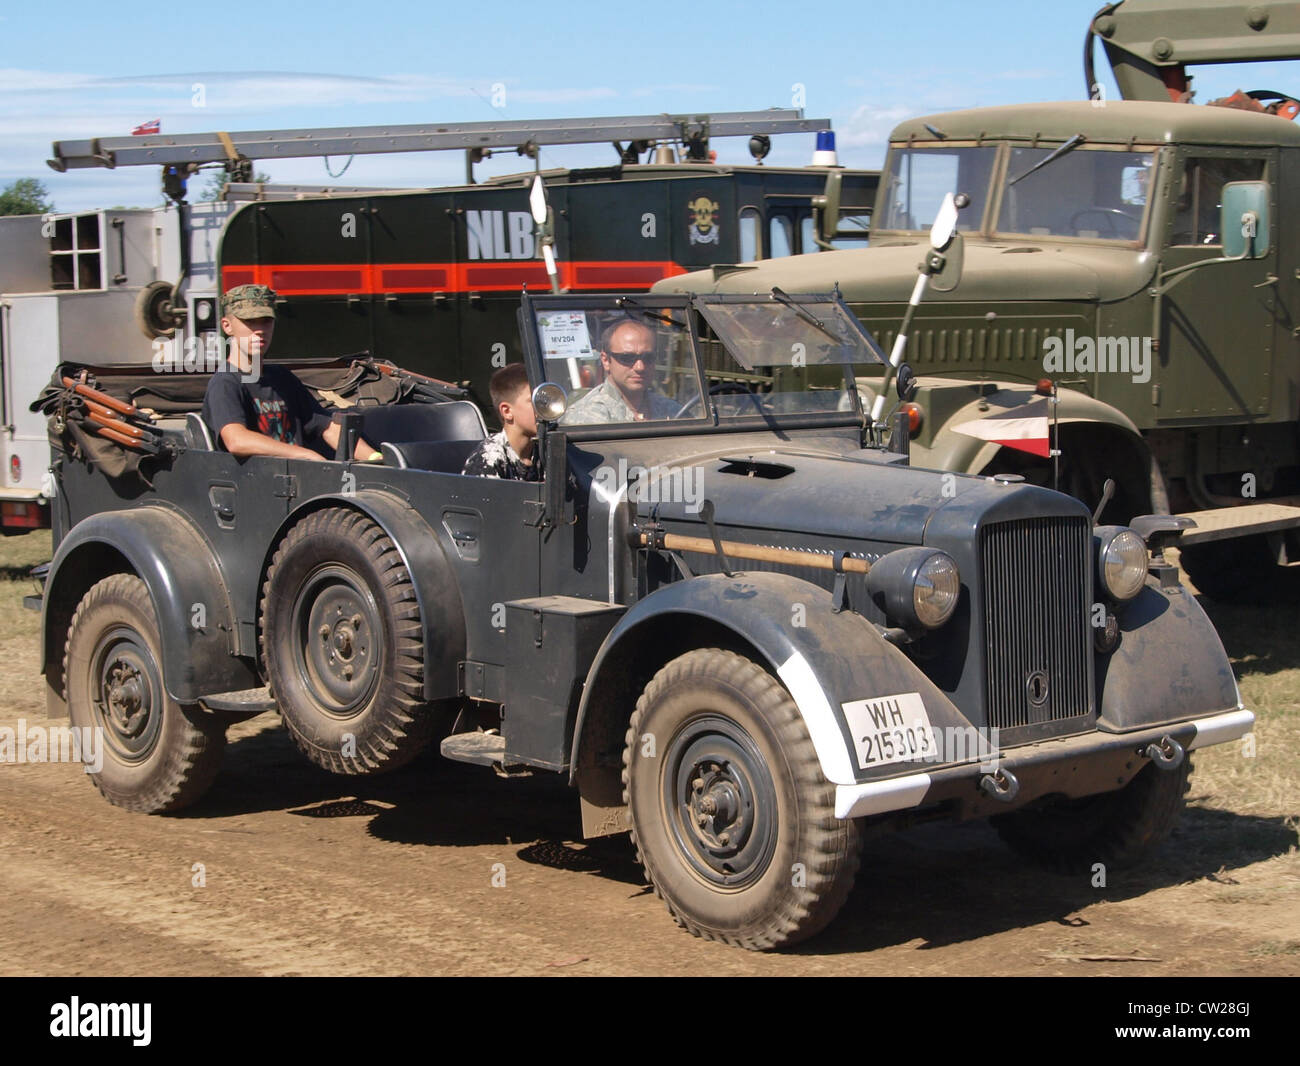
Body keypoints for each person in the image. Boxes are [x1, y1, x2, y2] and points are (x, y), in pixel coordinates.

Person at [202, 284, 378, 461]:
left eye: (266, 321)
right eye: (249, 321)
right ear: (227, 326)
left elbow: (327, 427)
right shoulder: (226, 382)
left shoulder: (282, 378)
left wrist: (376, 459)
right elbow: (236, 440)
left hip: (296, 480)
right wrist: (304, 454)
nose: (260, 330)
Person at [562, 318, 680, 424]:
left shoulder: (672, 411)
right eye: (627, 358)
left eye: (648, 358)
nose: (640, 367)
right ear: (606, 360)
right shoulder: (587, 418)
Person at [461, 362, 540, 480]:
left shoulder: (547, 452)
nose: (544, 407)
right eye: (533, 400)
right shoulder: (489, 459)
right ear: (507, 411)